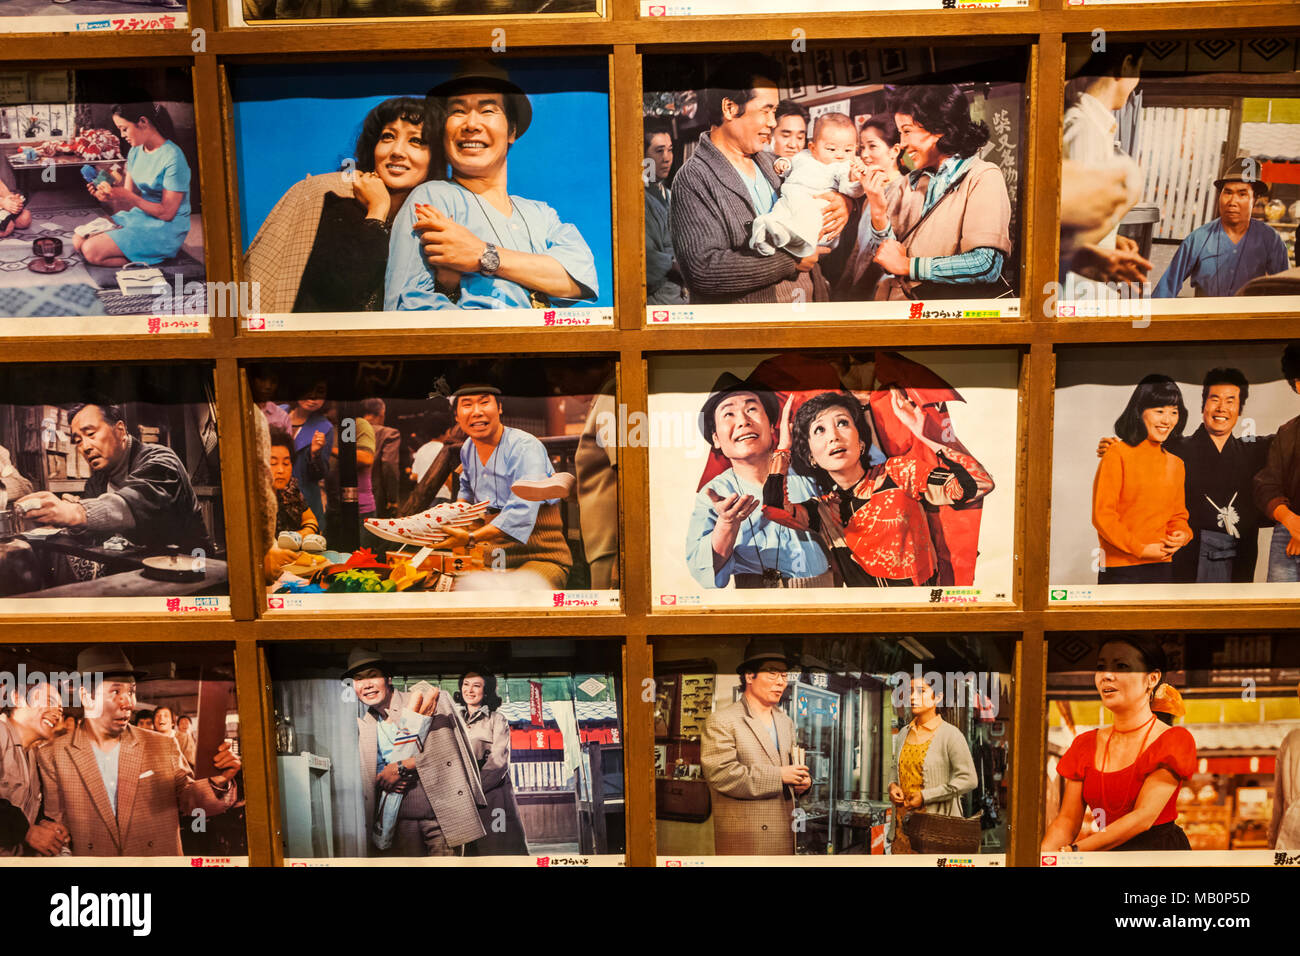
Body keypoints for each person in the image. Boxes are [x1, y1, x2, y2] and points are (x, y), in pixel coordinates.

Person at [386, 61, 599, 311]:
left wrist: (482, 255)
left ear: (512, 131)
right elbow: (405, 308)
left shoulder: (541, 214)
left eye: (488, 110)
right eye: (457, 111)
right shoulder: (433, 197)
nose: (471, 124)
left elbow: (578, 280)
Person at [765, 388, 992, 587]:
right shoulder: (823, 512)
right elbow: (774, 508)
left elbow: (979, 483)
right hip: (869, 626)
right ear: (811, 456)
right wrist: (783, 448)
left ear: (861, 442)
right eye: (819, 430)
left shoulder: (900, 473)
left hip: (925, 618)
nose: (833, 436)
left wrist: (928, 437)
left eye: (842, 423)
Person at [669, 54, 848, 305]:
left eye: (774, 112)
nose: (772, 122)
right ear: (730, 108)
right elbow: (704, 271)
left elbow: (822, 184)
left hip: (809, 312)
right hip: (755, 331)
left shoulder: (773, 163)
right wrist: (790, 261)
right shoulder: (693, 179)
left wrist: (843, 202)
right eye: (766, 110)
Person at [37, 646, 240, 856]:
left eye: (131, 692)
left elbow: (191, 803)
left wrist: (218, 781)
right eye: (116, 691)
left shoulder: (162, 746)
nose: (129, 703)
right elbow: (57, 827)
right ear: (86, 696)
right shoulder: (53, 755)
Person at [244, 96, 439, 313]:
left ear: (436, 157)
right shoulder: (331, 197)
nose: (397, 151)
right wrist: (377, 211)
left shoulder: (434, 216)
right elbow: (339, 291)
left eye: (417, 141)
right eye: (388, 137)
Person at [371, 384, 572, 588]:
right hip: (492, 559)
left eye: (484, 402)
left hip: (540, 557)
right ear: (457, 417)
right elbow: (464, 496)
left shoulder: (524, 446)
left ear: (499, 408)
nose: (477, 411)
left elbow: (521, 511)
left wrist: (469, 537)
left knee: (516, 595)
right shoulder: (468, 449)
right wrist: (445, 522)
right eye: (467, 405)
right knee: (452, 591)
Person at [1098, 368, 1268, 583]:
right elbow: (1141, 444)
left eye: (1231, 401)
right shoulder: (1174, 446)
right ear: (1202, 405)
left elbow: (1289, 442)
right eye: (1214, 399)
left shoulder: (1255, 448)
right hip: (1184, 557)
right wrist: (1116, 447)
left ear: (1240, 407)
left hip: (1238, 552)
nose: (1221, 408)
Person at [851, 84, 1013, 301]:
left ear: (941, 128)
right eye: (900, 133)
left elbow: (986, 265)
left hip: (951, 320)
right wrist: (878, 210)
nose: (902, 143)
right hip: (906, 314)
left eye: (907, 131)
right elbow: (889, 259)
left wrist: (909, 266)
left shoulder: (982, 176)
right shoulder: (907, 183)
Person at [1041, 636, 1196, 852]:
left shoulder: (1173, 740)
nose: (1106, 675)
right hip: (1105, 852)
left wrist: (1076, 851)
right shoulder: (1084, 744)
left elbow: (1144, 817)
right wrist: (1042, 859)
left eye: (1121, 666)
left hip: (1159, 856)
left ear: (1152, 678)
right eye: (1101, 667)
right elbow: (1066, 821)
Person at [684, 373, 830, 589]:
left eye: (751, 409)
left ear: (772, 426)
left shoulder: (809, 474)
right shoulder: (715, 493)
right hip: (757, 604)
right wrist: (726, 525)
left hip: (825, 597)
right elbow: (701, 568)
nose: (743, 421)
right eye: (729, 414)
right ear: (716, 439)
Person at [342, 648, 485, 856]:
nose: (366, 685)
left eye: (373, 675)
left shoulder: (427, 700)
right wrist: (382, 778)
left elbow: (448, 753)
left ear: (388, 678)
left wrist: (402, 767)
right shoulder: (365, 725)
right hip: (398, 823)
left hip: (440, 818)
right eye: (358, 679)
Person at [17, 403, 211, 554]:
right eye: (78, 441)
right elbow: (94, 534)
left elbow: (135, 503)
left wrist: (75, 512)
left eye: (90, 434)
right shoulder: (97, 481)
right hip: (137, 569)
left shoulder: (161, 460)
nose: (84, 447)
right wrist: (75, 521)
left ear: (120, 430)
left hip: (190, 567)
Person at [700, 640, 810, 855]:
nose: (780, 682)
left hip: (783, 831)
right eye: (772, 674)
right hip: (746, 837)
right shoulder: (722, 720)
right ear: (750, 676)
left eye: (784, 675)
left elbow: (789, 771)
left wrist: (801, 783)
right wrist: (779, 776)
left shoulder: (785, 721)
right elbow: (721, 775)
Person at [1062, 44, 1150, 299]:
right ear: (1125, 65)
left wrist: (1110, 238)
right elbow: (1065, 235)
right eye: (1139, 69)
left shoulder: (1093, 127)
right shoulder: (1085, 129)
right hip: (1074, 294)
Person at [1091, 375, 1193, 584]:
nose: (1167, 420)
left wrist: (1182, 535)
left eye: (1174, 412)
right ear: (1139, 412)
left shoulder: (1176, 464)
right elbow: (1103, 516)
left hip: (1163, 565)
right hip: (1121, 568)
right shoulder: (1116, 454)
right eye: (1159, 411)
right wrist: (1141, 550)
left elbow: (1178, 515)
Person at [74, 101, 191, 268]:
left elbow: (167, 213)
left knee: (91, 250)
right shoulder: (136, 151)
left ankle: (159, 256)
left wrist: (127, 196)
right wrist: (106, 195)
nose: (122, 135)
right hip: (142, 216)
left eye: (124, 129)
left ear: (143, 122)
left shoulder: (173, 157)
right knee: (78, 239)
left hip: (166, 226)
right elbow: (128, 194)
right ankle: (143, 251)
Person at [1153, 158, 1289, 298]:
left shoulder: (1270, 240)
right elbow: (1165, 289)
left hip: (1249, 318)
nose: (1232, 201)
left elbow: (1286, 292)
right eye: (1228, 192)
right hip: (1205, 317)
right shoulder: (1198, 239)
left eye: (1242, 194)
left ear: (1254, 200)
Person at [750, 112, 866, 260]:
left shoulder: (843, 167)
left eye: (800, 137)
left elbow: (851, 189)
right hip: (789, 198)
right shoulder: (802, 156)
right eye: (786, 135)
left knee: (807, 218)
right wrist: (783, 164)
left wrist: (851, 191)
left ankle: (793, 243)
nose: (840, 155)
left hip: (815, 207)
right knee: (776, 215)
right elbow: (791, 165)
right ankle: (763, 236)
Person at [888, 677, 978, 849]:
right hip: (902, 832)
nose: (913, 697)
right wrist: (892, 786)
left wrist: (925, 796)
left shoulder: (951, 735)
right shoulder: (903, 734)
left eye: (921, 691)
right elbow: (895, 768)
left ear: (938, 698)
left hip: (935, 834)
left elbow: (969, 779)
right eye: (910, 691)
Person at [456, 669, 527, 855]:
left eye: (476, 686)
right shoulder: (453, 720)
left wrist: (472, 791)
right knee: (467, 853)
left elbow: (498, 762)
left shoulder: (497, 719)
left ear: (486, 691)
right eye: (466, 684)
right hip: (460, 795)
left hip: (493, 794)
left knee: (497, 848)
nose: (469, 690)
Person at [0, 681, 68, 856]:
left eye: (60, 710)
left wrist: (41, 823)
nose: (56, 714)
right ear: (17, 699)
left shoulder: (32, 754)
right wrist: (27, 831)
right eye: (49, 701)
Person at [1254, 343, 1300, 582]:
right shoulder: (1287, 432)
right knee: (1278, 610)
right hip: (1288, 530)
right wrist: (1290, 520)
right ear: (1298, 384)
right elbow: (1266, 484)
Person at [644, 122, 687, 305]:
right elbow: (644, 255)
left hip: (681, 295)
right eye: (659, 151)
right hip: (658, 300)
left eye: (670, 150)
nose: (667, 158)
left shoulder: (668, 194)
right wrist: (675, 265)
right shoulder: (638, 199)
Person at [285, 379, 334, 525]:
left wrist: (315, 454)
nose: (313, 397)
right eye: (308, 389)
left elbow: (320, 474)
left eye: (320, 392)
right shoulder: (277, 413)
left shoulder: (324, 427)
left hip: (305, 499)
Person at [362, 399, 402, 519]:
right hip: (376, 497)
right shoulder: (388, 434)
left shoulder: (349, 430)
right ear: (382, 413)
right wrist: (392, 498)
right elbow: (389, 465)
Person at [1272, 684, 1300, 850]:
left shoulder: (1292, 740)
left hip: (1292, 841)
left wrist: (1271, 842)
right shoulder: (1291, 740)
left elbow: (1278, 803)